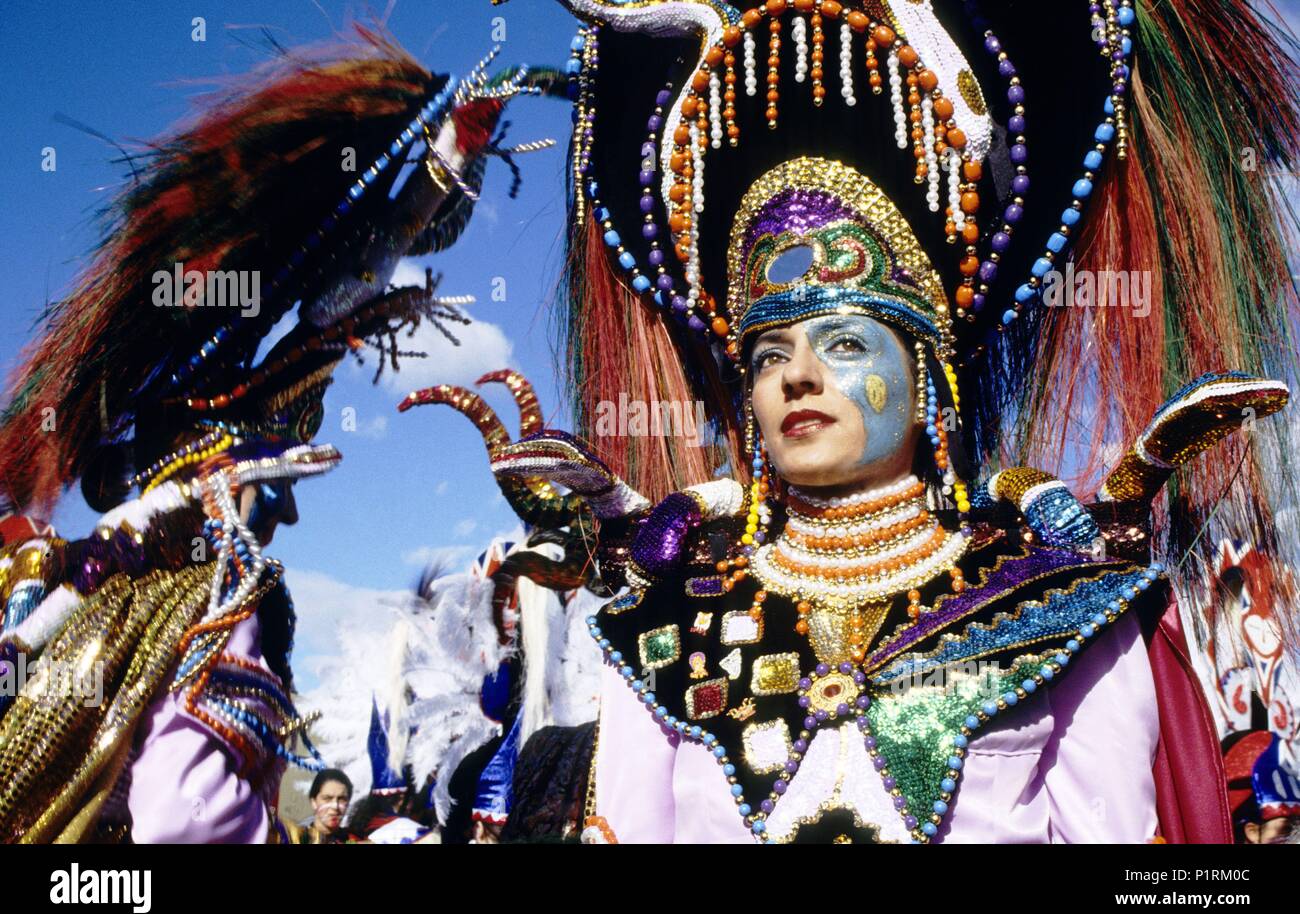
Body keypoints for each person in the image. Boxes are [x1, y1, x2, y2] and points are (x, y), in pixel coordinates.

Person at [485, 0, 1300, 843]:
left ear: (923, 379)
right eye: (767, 355)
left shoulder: (1061, 611)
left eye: (841, 341)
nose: (796, 374)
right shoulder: (659, 636)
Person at [0, 28, 558, 843]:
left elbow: (336, 296)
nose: (289, 515)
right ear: (218, 476)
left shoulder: (108, 605)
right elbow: (181, 822)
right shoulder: (212, 595)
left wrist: (447, 157)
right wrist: (443, 159)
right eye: (281, 479)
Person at [287, 770, 360, 845]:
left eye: (342, 799)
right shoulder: (294, 838)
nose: (335, 806)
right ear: (313, 802)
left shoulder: (354, 840)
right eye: (327, 798)